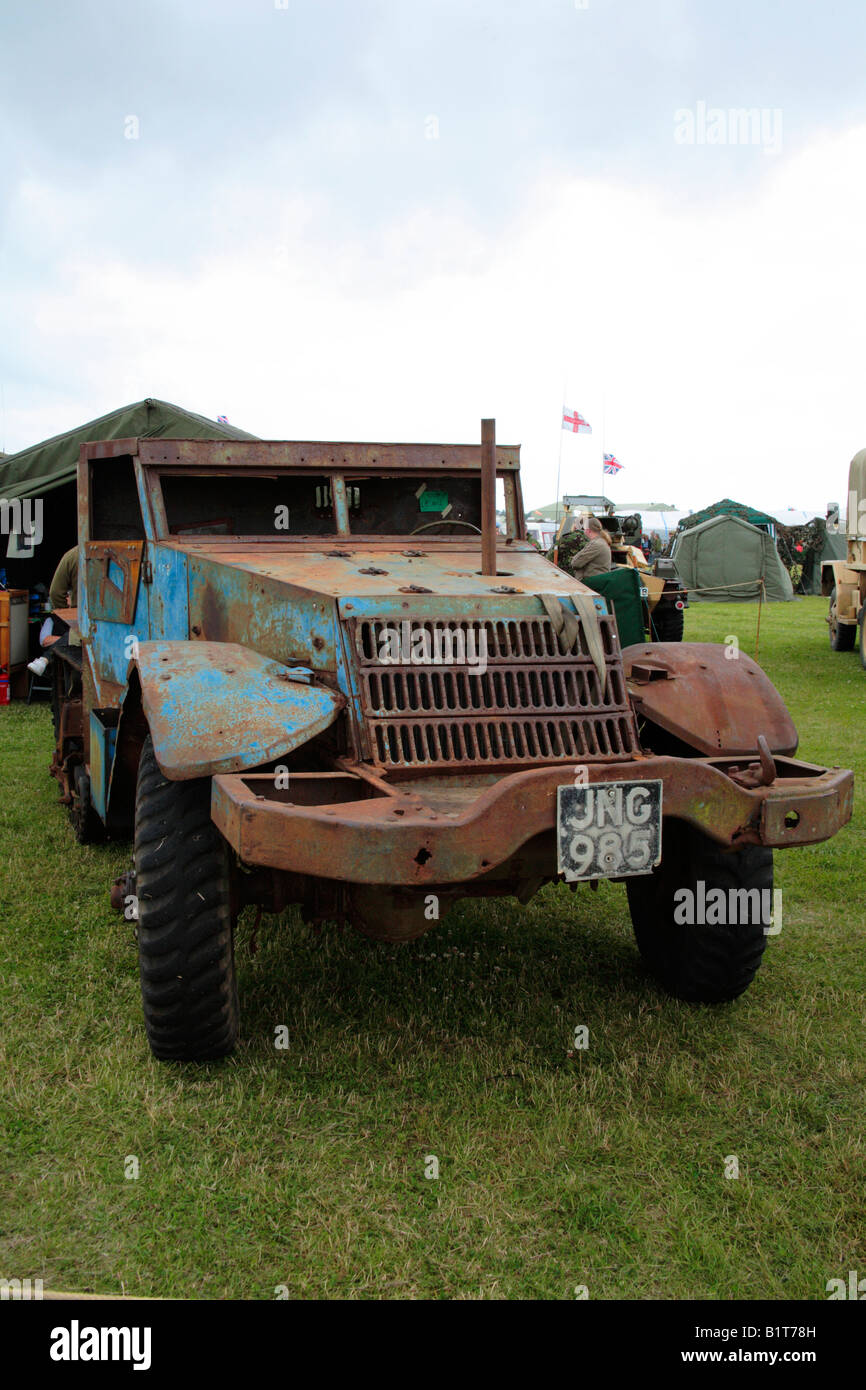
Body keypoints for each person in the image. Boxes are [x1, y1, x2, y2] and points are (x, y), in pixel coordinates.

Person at [49, 546, 79, 611]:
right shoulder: (74, 555)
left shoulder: (73, 555)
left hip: (80, 615)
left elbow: (55, 593)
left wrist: (65, 612)